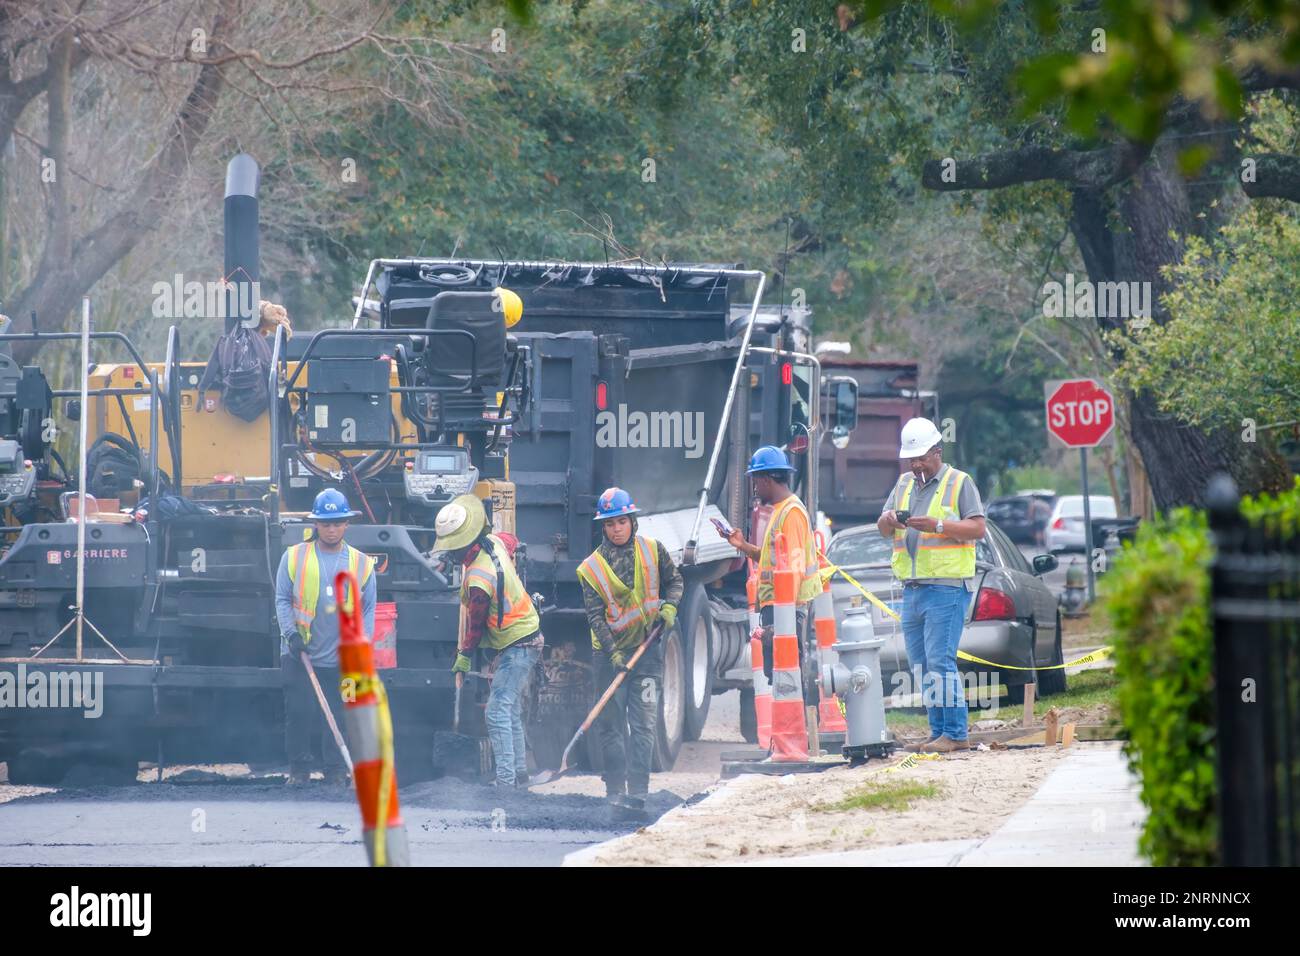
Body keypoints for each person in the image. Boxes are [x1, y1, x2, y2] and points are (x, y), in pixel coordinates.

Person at [877, 418, 986, 753]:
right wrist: (888, 520)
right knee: (922, 665)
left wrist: (938, 525)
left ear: (937, 452)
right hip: (912, 588)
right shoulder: (903, 484)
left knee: (940, 661)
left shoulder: (959, 483)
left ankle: (955, 733)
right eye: (911, 458)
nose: (916, 463)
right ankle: (939, 731)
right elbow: (883, 529)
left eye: (921, 457)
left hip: (947, 587)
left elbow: (979, 529)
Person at [577, 487, 683, 812]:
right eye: (609, 524)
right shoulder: (591, 568)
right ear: (603, 528)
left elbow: (675, 582)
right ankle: (614, 791)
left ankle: (638, 793)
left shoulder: (653, 550)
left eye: (621, 521)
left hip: (647, 651)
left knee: (644, 723)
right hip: (609, 657)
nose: (616, 529)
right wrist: (613, 653)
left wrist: (670, 608)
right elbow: (595, 617)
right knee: (610, 725)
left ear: (632, 521)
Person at [434, 493, 543, 788]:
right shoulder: (493, 543)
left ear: (463, 545)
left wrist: (464, 655)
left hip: (519, 642)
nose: (450, 554)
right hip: (526, 634)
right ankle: (520, 772)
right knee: (510, 707)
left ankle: (506, 782)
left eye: (451, 550)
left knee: (497, 710)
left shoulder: (479, 580)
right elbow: (511, 539)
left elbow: (476, 625)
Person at [275, 488, 375, 786]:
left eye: (338, 523)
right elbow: (281, 599)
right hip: (299, 653)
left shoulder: (361, 563)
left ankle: (335, 771)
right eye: (326, 524)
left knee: (343, 714)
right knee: (299, 713)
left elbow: (368, 609)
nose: (332, 530)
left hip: (343, 655)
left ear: (347, 524)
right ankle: (299, 771)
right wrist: (291, 634)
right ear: (316, 524)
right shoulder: (294, 557)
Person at [719, 445, 821, 686]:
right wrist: (742, 545)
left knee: (786, 678)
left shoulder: (791, 513)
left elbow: (793, 571)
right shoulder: (779, 511)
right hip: (777, 607)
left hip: (784, 609)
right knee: (777, 677)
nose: (755, 488)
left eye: (756, 481)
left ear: (766, 480)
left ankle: (793, 725)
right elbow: (772, 560)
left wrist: (780, 625)